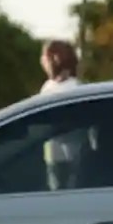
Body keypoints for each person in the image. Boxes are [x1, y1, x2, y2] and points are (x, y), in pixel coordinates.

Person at [39, 40, 82, 190]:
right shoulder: (48, 87)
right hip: (52, 154)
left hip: (70, 155)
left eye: (44, 57)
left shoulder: (73, 88)